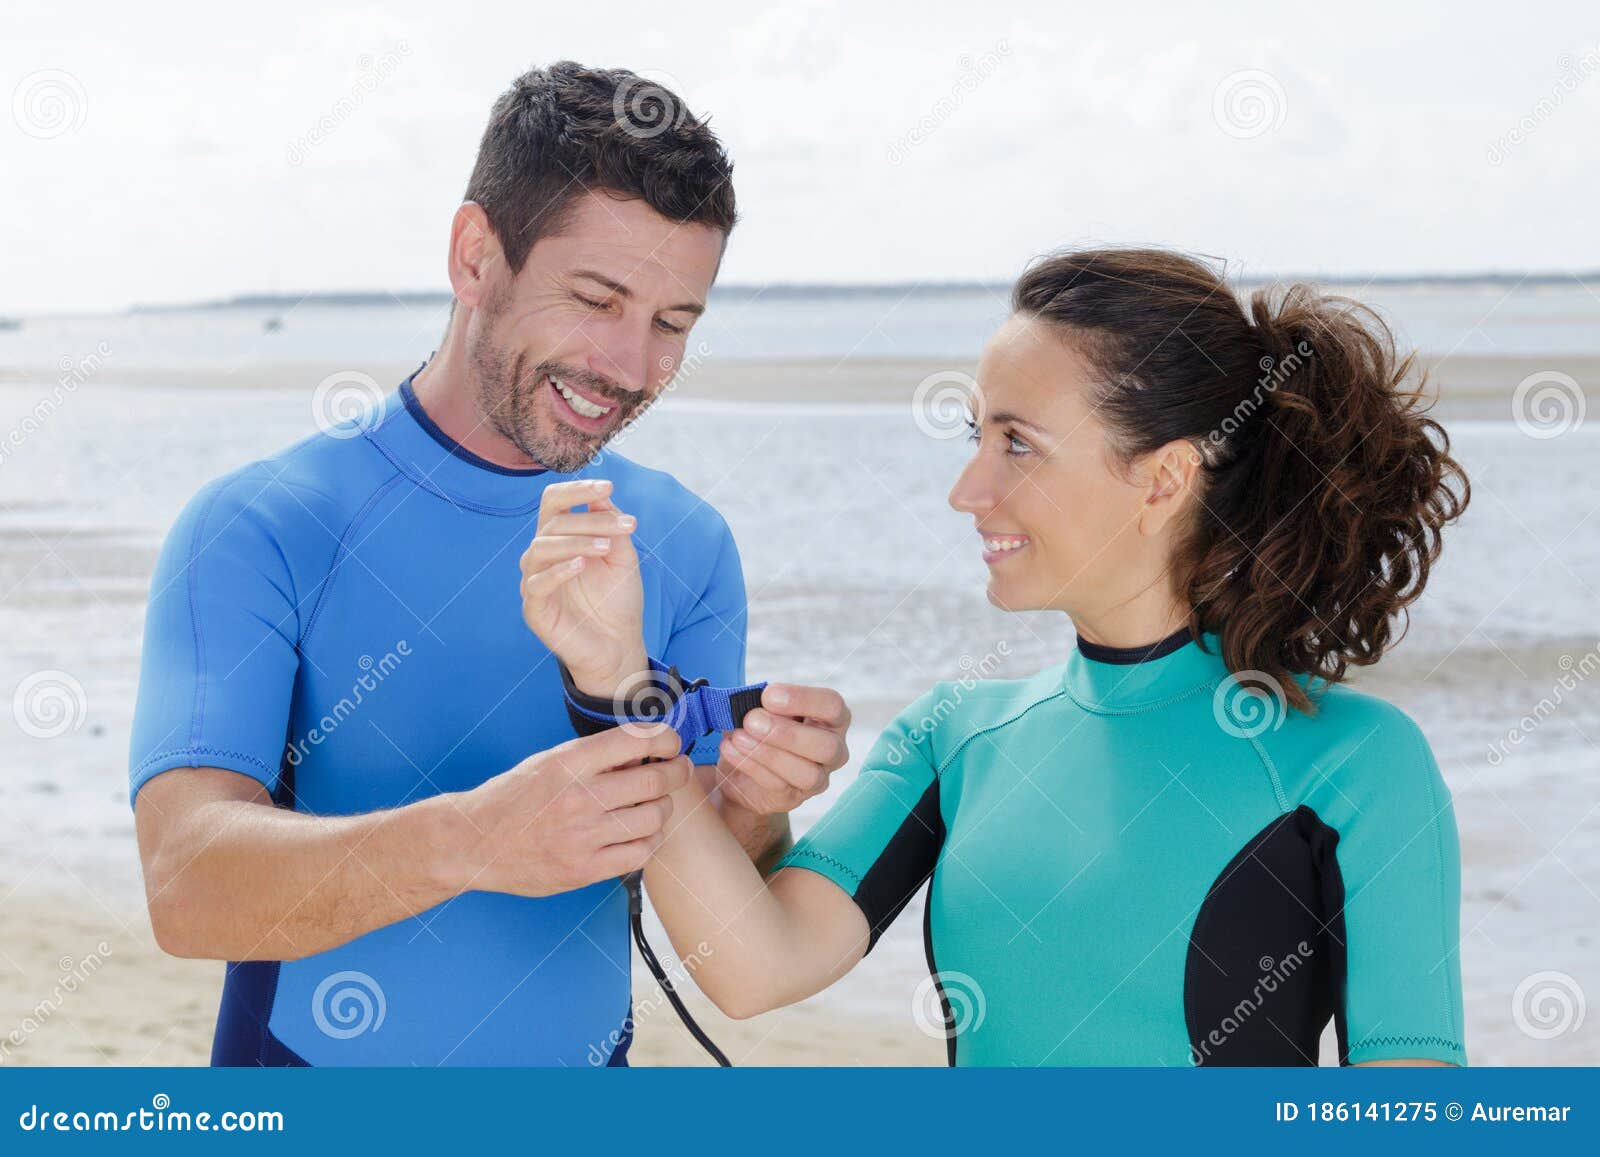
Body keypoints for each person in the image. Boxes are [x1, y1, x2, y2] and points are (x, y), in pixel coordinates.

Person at [524, 246, 1472, 1066]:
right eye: (975, 436)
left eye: (1017, 443)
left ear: (1166, 477)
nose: (967, 487)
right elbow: (751, 963)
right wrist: (616, 675)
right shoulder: (959, 735)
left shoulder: (1356, 763)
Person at [128, 61, 848, 1067]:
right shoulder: (261, 524)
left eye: (672, 324)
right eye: (596, 299)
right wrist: (473, 837)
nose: (632, 367)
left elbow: (711, 905)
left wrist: (757, 803)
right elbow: (186, 885)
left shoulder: (684, 543)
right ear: (476, 257)